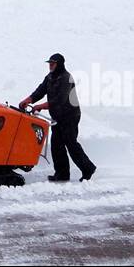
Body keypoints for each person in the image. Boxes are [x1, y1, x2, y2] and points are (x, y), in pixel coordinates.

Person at [18, 52, 97, 183]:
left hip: (70, 116)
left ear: (59, 64)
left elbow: (59, 100)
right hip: (58, 116)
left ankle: (88, 168)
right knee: (56, 145)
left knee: (71, 143)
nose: (50, 66)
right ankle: (62, 174)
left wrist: (40, 106)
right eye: (49, 64)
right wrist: (28, 100)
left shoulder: (66, 78)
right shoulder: (50, 77)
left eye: (52, 64)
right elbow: (40, 91)